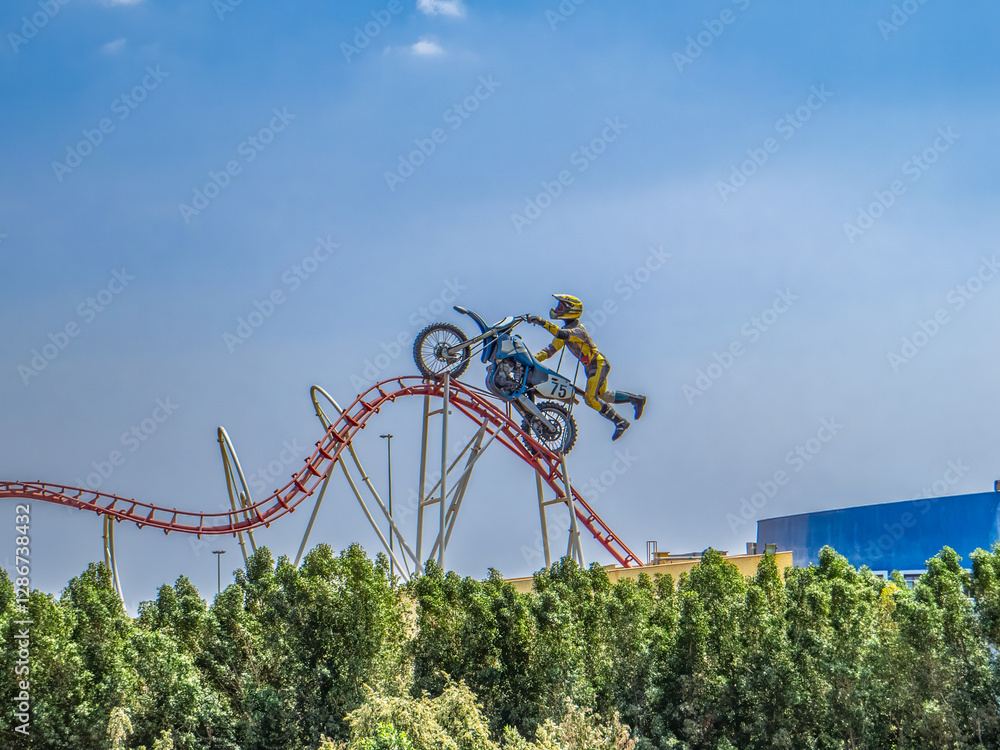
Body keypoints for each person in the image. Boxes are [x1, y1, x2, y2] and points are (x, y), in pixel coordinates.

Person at [527, 293, 646, 441]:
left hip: (598, 364)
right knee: (603, 396)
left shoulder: (578, 330)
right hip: (591, 366)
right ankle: (636, 399)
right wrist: (530, 359)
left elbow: (562, 334)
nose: (557, 309)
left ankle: (620, 421)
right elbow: (549, 350)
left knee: (590, 399)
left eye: (561, 307)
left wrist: (541, 322)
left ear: (571, 310)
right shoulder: (568, 330)